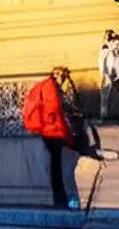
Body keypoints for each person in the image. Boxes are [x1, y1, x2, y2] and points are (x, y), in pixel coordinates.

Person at [23, 67, 78, 209]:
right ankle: (60, 199)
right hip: (52, 133)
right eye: (62, 76)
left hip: (47, 132)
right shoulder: (51, 89)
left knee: (56, 165)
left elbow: (61, 108)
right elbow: (56, 114)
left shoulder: (48, 87)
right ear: (56, 75)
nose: (63, 79)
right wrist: (69, 139)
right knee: (57, 167)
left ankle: (59, 198)